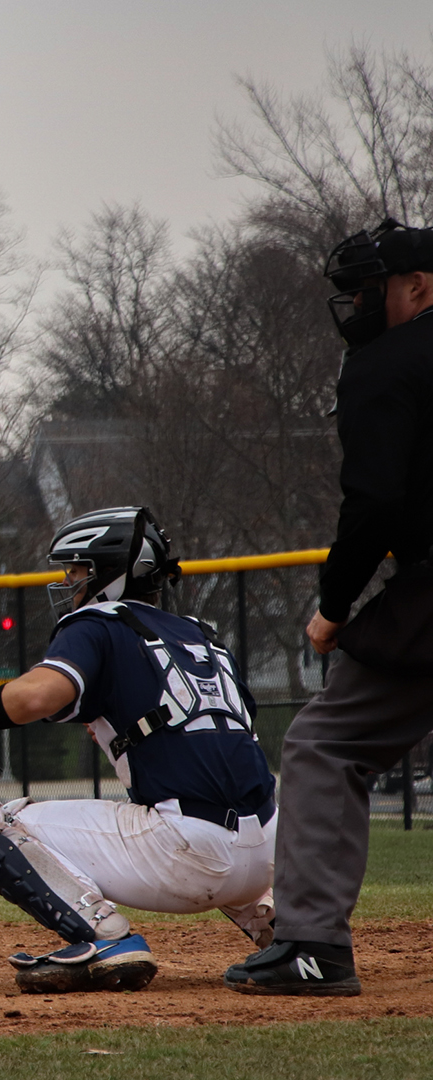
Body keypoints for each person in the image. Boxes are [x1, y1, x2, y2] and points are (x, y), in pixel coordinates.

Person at [0, 507, 277, 994]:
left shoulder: (96, 620)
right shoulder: (201, 635)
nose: (70, 581)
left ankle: (104, 938)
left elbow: (39, 695)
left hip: (190, 853)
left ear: (111, 573)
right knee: (222, 807)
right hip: (274, 851)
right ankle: (287, 929)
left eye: (78, 569)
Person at [226, 221, 433, 997]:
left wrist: (335, 604)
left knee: (322, 745)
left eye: (368, 288)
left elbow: (374, 499)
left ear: (418, 285)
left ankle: (311, 946)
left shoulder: (387, 362)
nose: (354, 304)